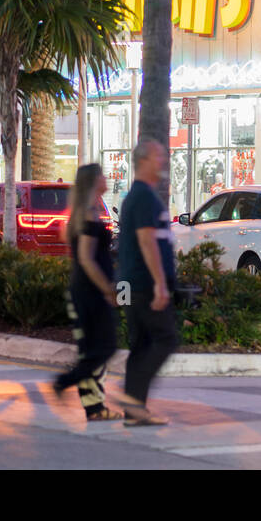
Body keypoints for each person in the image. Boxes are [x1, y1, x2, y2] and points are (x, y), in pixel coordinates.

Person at [53, 164, 138, 422]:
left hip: (87, 293)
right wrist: (108, 289)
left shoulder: (86, 213)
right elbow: (87, 260)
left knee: (95, 351)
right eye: (102, 175)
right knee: (103, 349)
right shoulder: (88, 219)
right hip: (89, 294)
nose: (106, 178)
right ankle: (65, 382)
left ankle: (95, 409)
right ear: (93, 182)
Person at [116, 139, 179, 427]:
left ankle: (134, 409)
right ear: (143, 161)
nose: (163, 161)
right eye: (158, 156)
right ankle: (132, 400)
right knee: (166, 339)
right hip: (144, 284)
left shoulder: (139, 195)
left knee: (141, 345)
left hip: (132, 284)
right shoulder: (143, 196)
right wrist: (160, 284)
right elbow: (146, 240)